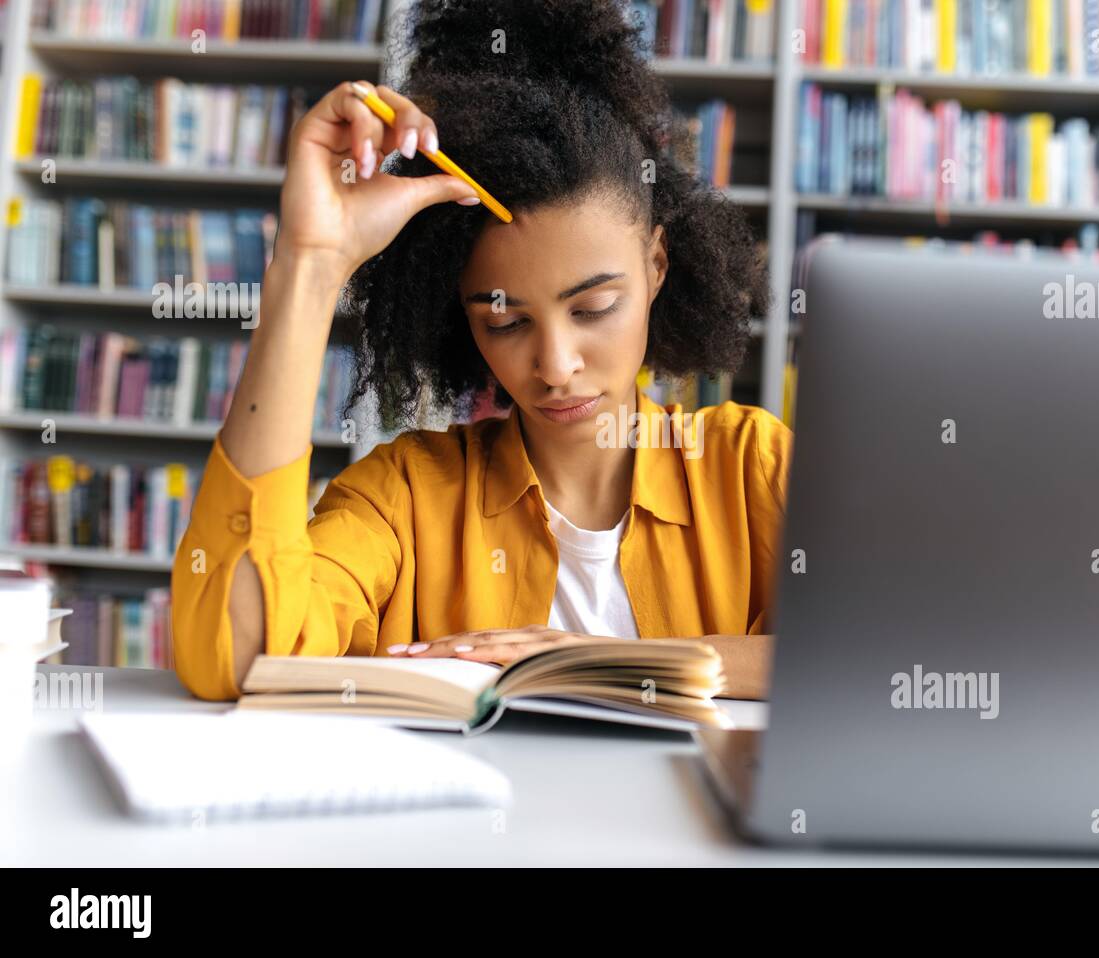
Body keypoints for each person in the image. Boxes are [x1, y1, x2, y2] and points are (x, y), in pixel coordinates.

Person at [170, 0, 792, 702]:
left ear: (655, 266)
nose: (556, 367)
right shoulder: (405, 500)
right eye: (505, 322)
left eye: (593, 308)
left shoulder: (751, 472)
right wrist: (311, 263)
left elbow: (884, 657)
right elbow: (232, 657)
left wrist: (613, 663)